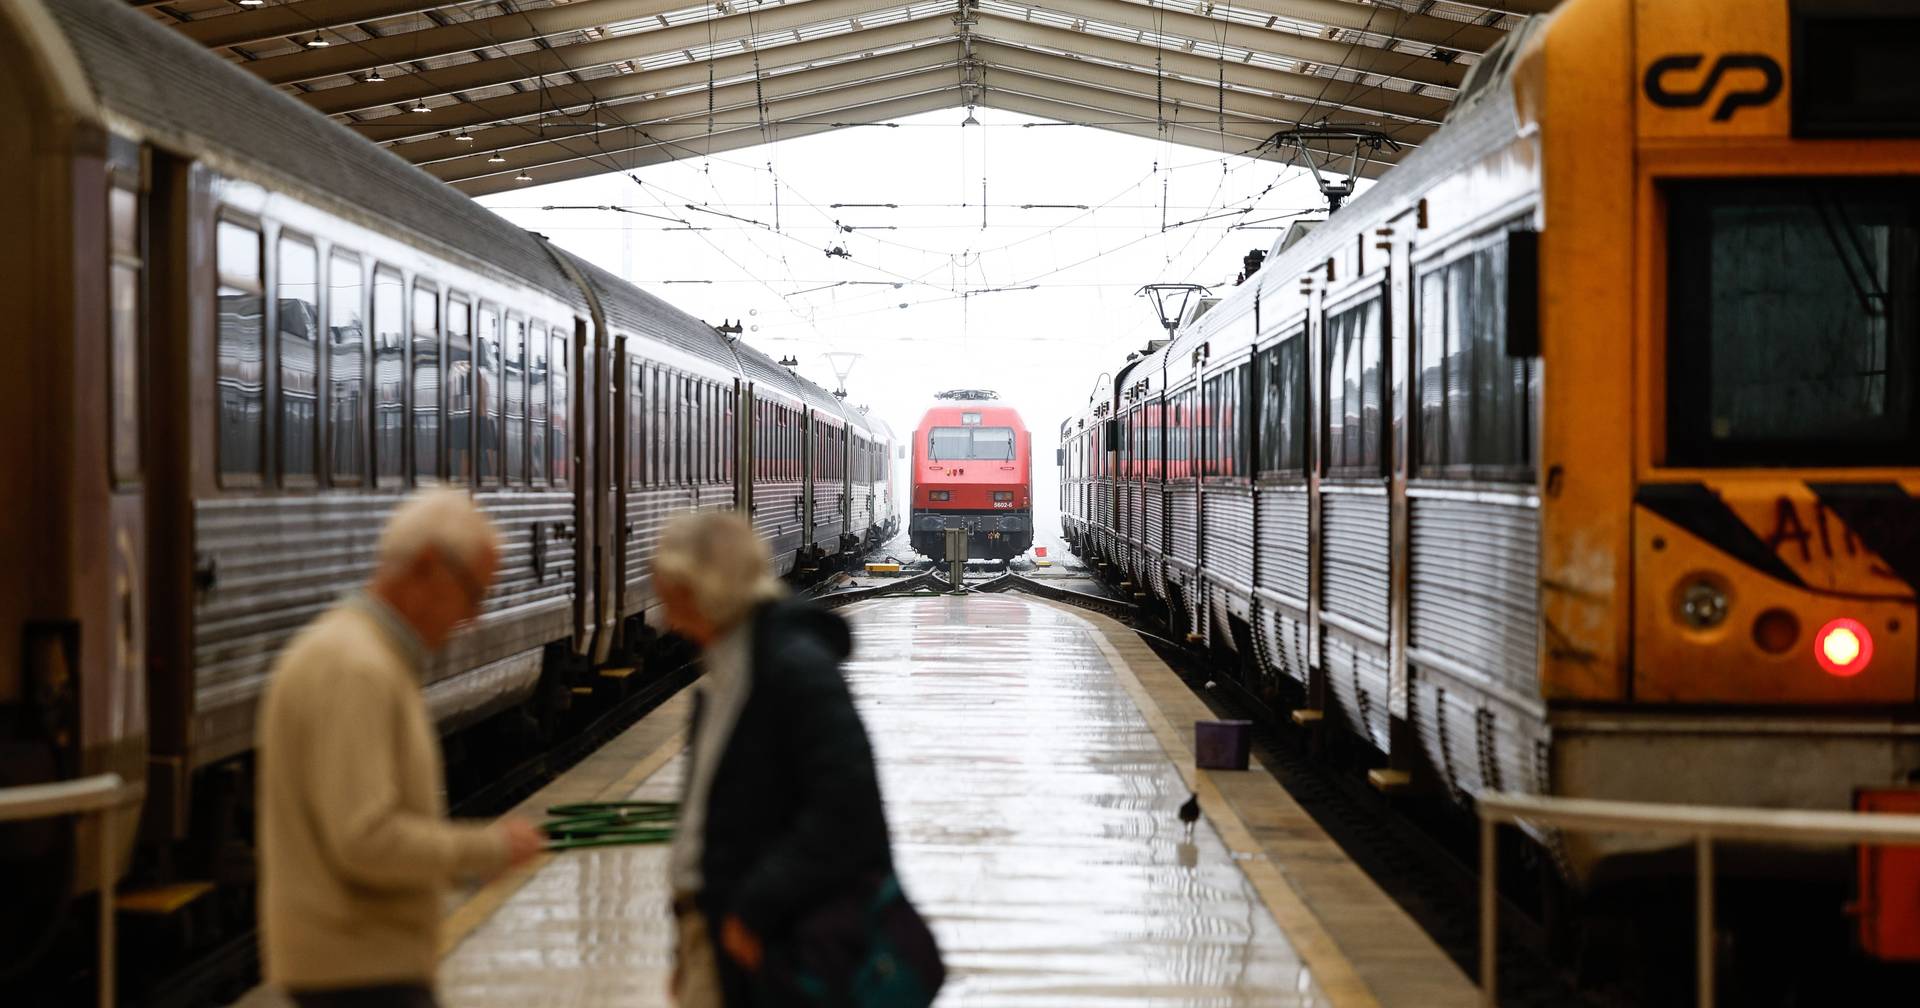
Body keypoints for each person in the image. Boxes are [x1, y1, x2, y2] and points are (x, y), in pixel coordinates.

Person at [255, 489, 545, 1008]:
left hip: (361, 964)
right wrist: (487, 849)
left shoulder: (365, 656)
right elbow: (365, 839)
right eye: (473, 595)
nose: (472, 619)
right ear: (428, 568)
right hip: (356, 973)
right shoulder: (353, 668)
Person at [654, 510, 894, 1007]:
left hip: (771, 935)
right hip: (718, 929)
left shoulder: (792, 669)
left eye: (670, 592)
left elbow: (848, 810)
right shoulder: (730, 666)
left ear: (705, 586)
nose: (662, 614)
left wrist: (755, 911)